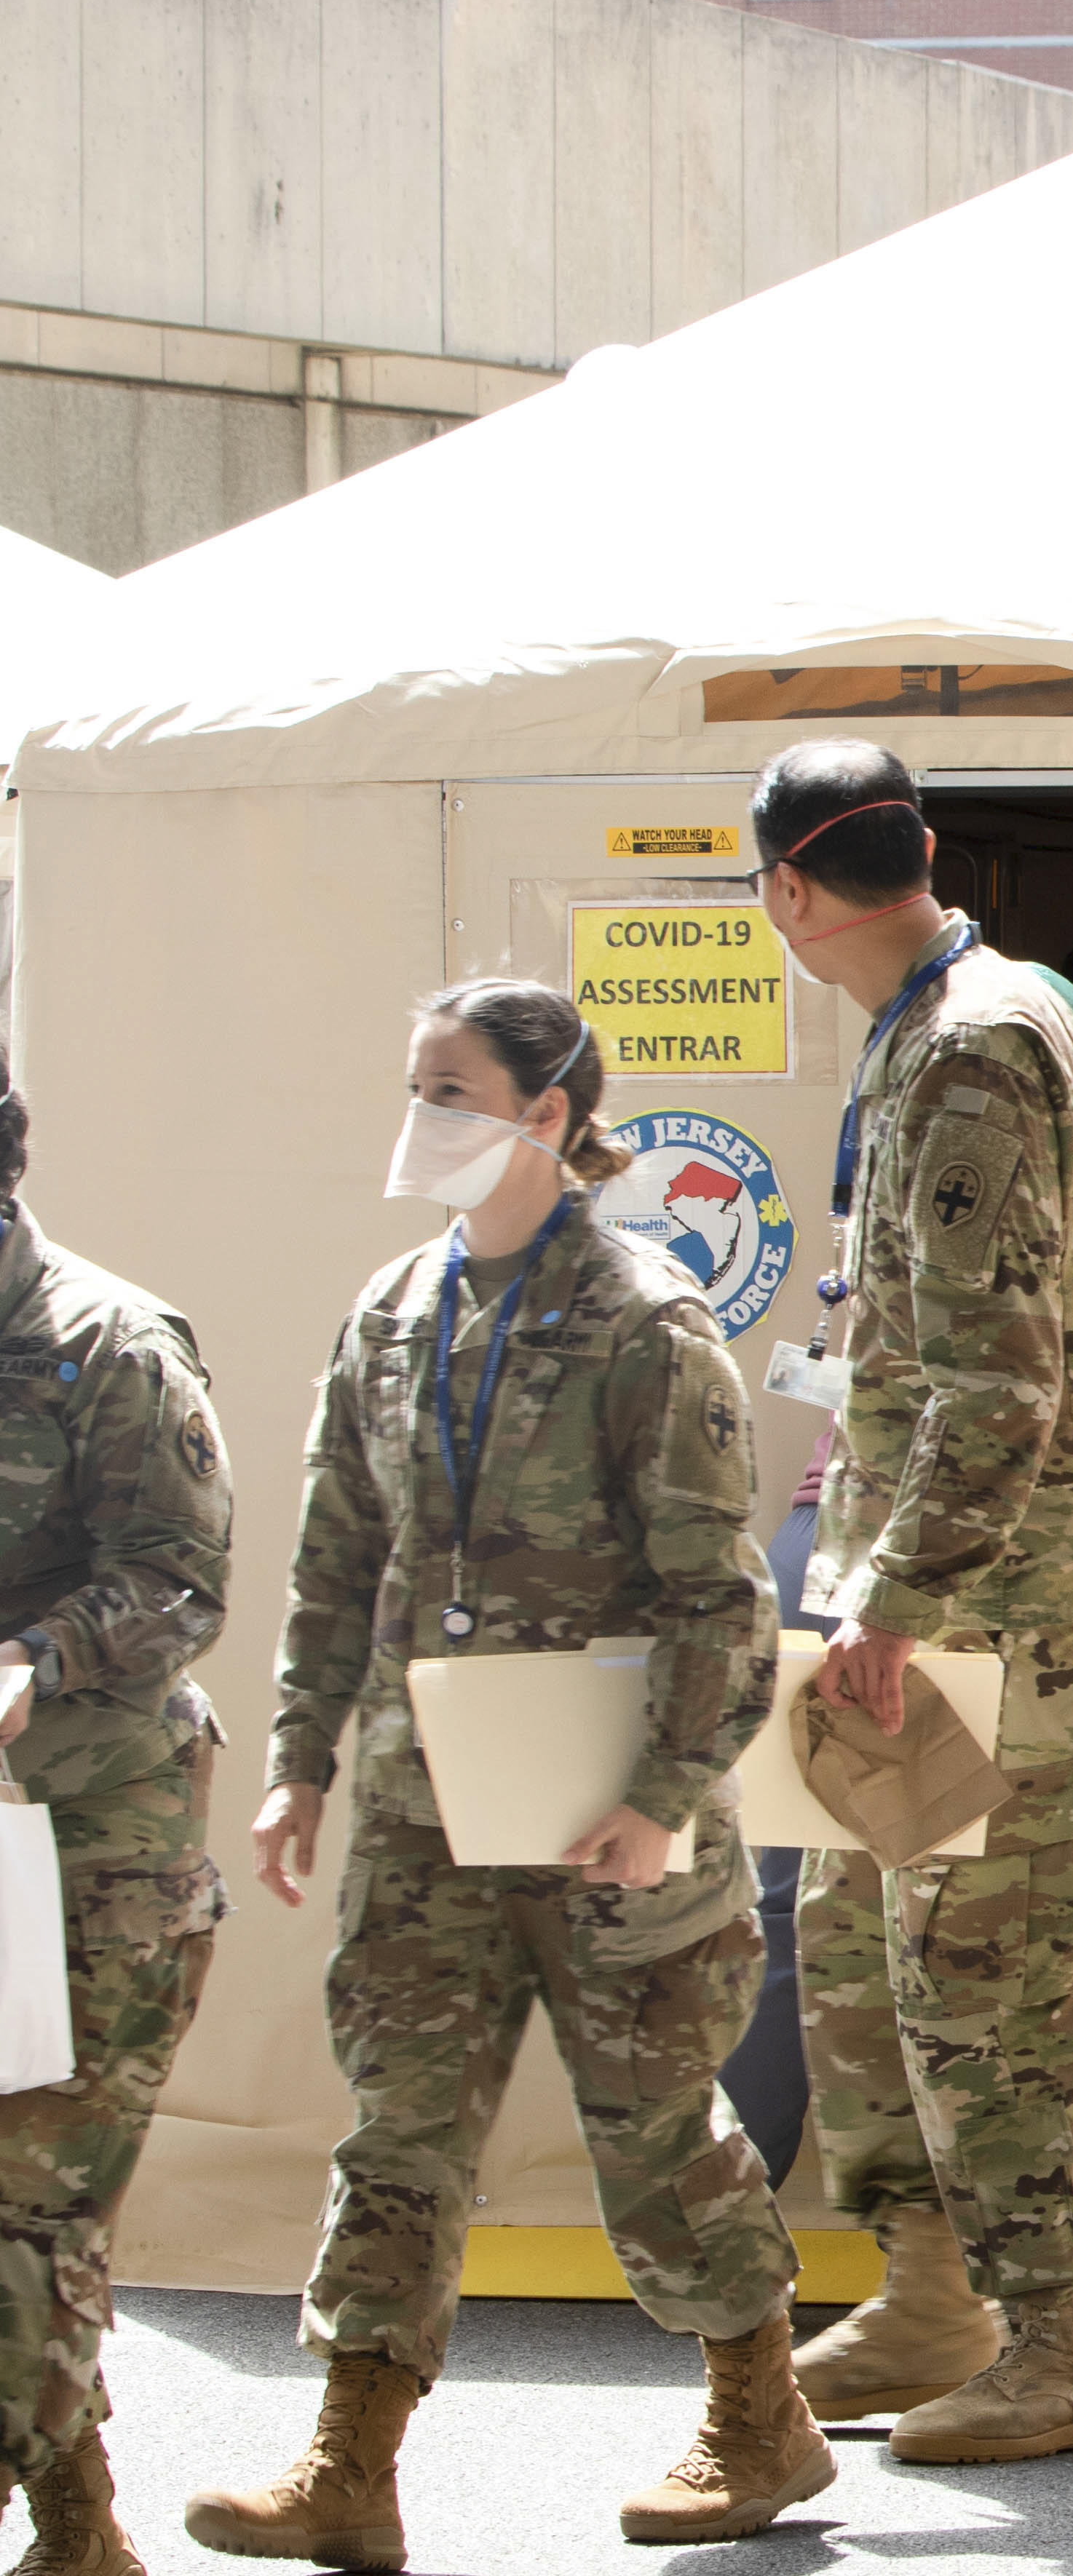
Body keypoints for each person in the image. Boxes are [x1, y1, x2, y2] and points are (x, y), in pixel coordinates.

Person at [186, 980, 820, 2562]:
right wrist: (300, 1763)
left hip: (612, 1795)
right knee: (400, 2126)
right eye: (416, 1083)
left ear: (549, 1114)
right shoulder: (395, 1311)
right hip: (424, 1803)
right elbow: (341, 1558)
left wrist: (664, 1799)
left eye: (453, 1090)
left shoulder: (644, 1322)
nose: (424, 1115)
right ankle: (351, 2463)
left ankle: (759, 2414)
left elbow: (720, 1602)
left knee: (656, 2128)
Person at [743, 740, 1073, 2464]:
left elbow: (1002, 1383)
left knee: (988, 1978)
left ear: (784, 892)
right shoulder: (920, 1029)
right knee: (852, 1952)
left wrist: (895, 1598)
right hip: (905, 1585)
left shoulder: (978, 1042)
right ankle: (931, 2295)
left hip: (993, 1603)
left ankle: (1066, 2340)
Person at [0, 1044, 234, 2576]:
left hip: (94, 1836)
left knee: (34, 2190)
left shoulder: (108, 1343)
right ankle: (79, 2523)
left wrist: (33, 1655)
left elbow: (183, 1580)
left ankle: (69, 2519)